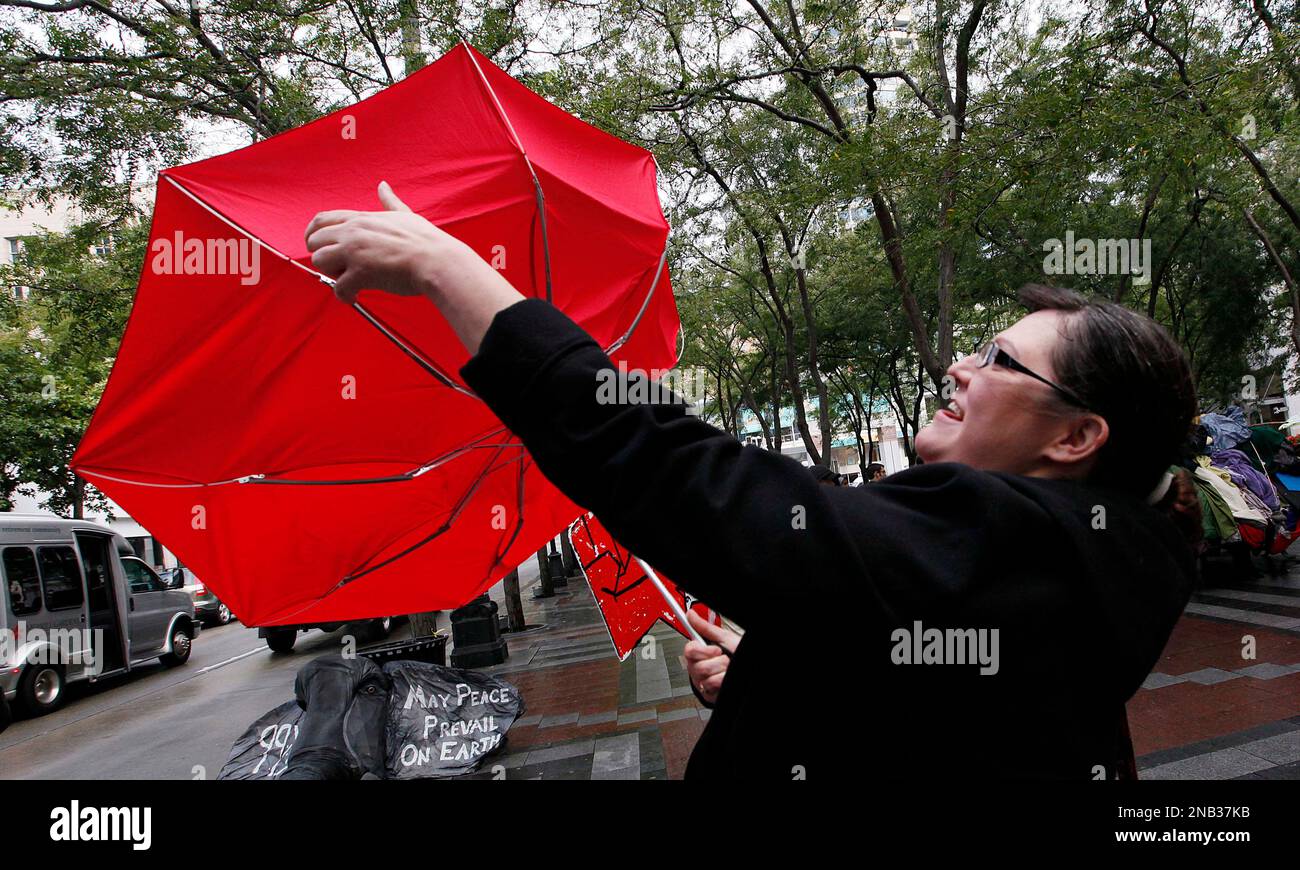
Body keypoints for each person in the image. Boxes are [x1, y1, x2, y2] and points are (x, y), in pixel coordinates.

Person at [304, 184, 1200, 779]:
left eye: (1000, 359)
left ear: (1078, 437)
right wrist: (778, 670)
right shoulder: (1084, 560)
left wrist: (451, 272)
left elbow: (698, 482)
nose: (963, 367)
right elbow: (936, 701)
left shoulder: (1018, 536)